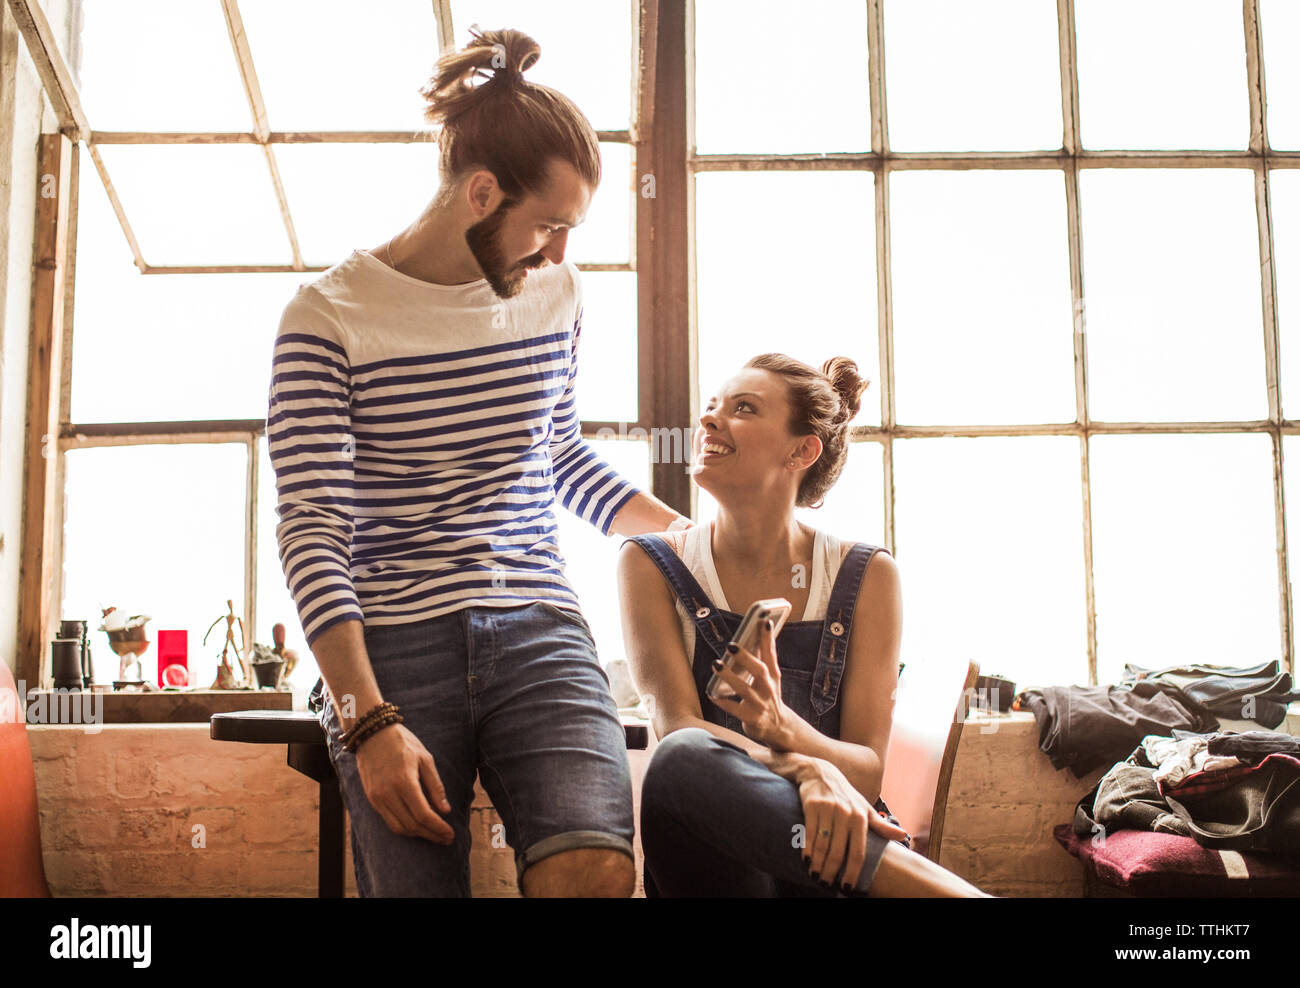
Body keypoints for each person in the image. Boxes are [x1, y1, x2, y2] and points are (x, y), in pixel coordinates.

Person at [266, 27, 688, 898]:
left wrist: (690, 539)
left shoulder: (556, 296)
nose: (558, 253)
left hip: (537, 623)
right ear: (481, 192)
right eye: (548, 226)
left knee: (596, 871)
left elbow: (561, 458)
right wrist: (366, 721)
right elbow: (312, 528)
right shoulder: (327, 316)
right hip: (389, 644)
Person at [617, 354, 989, 896]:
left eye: (743, 409)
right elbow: (680, 727)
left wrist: (786, 731)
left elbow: (864, 774)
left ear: (802, 449)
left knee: (694, 761)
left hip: (827, 858)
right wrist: (806, 770)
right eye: (711, 407)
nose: (709, 421)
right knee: (680, 759)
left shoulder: (867, 576)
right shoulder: (648, 564)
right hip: (716, 869)